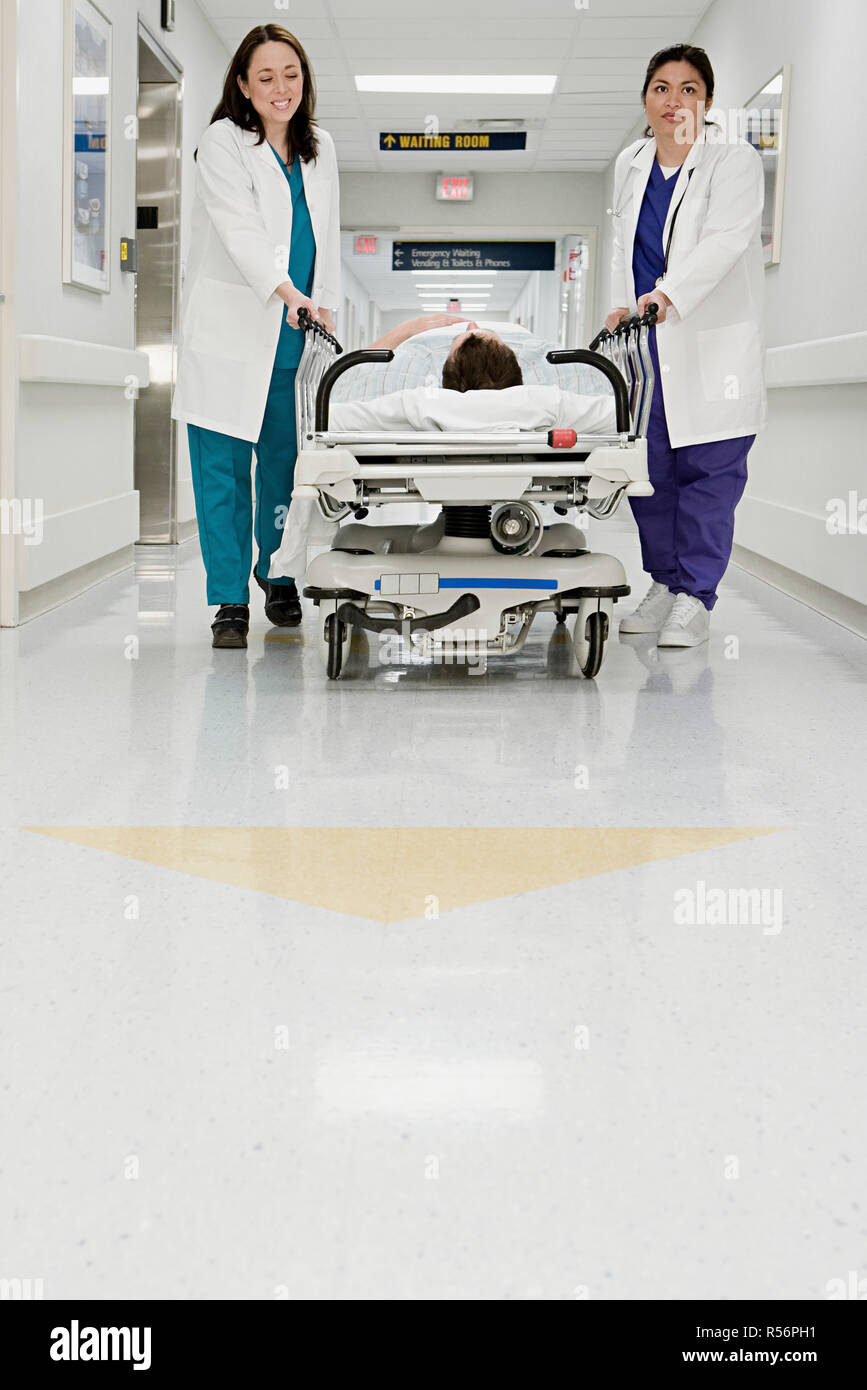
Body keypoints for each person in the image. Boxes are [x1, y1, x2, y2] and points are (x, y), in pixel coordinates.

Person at [171, 24, 340, 649]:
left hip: (294, 340)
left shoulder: (320, 148)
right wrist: (287, 292)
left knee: (283, 471)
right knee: (221, 474)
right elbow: (240, 232)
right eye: (265, 77)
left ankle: (279, 575)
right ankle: (228, 600)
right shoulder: (222, 143)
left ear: (305, 80)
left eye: (290, 74)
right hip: (229, 334)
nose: (280, 88)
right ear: (243, 85)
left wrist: (323, 305)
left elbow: (327, 238)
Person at [608, 44, 766, 648]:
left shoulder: (733, 161)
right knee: (652, 476)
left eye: (690, 89)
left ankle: (696, 597)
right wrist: (627, 301)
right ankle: (665, 583)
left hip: (712, 348)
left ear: (707, 100)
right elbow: (631, 247)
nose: (675, 102)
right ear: (645, 98)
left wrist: (667, 295)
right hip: (646, 346)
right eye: (662, 88)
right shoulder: (631, 162)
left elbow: (724, 242)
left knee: (709, 476)